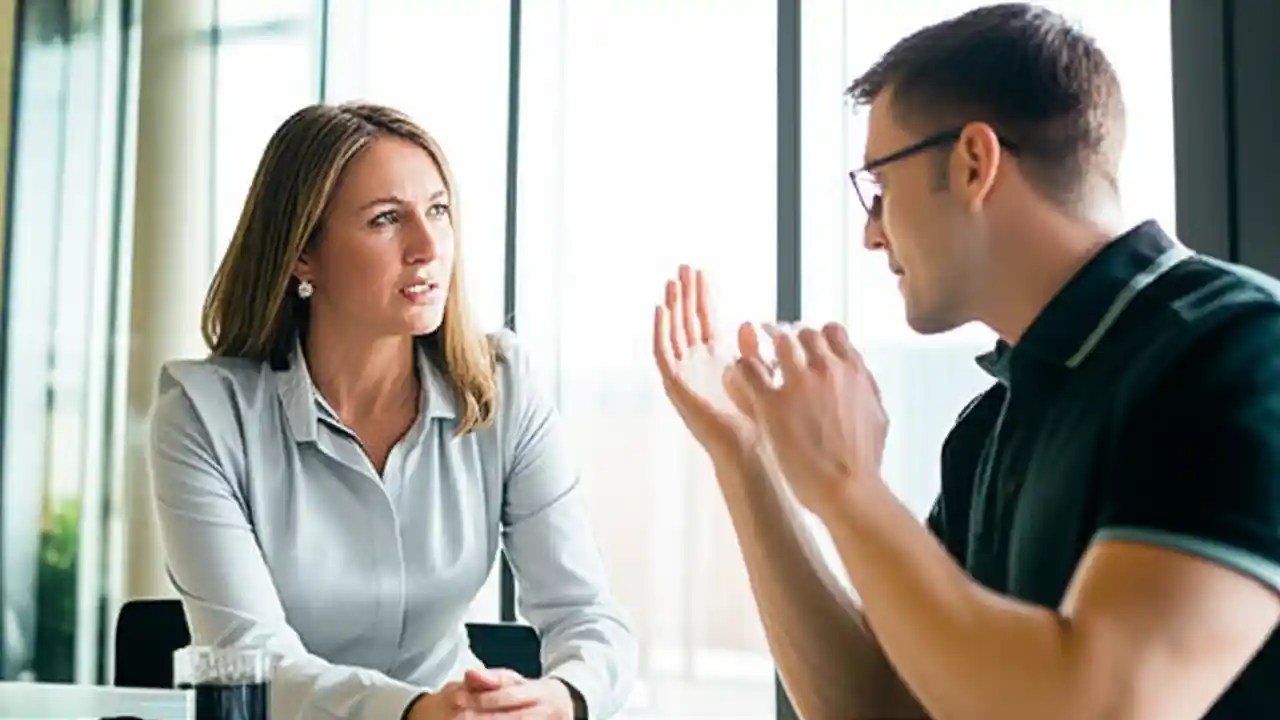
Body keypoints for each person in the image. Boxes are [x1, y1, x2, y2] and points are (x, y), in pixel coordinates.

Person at [654, 4, 1280, 719]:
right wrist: (748, 461)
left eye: (879, 188)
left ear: (974, 162)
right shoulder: (989, 427)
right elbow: (879, 707)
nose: (869, 233)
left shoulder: (1239, 348)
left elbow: (1105, 706)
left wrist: (848, 486)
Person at [149, 102, 636, 720]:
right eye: (386, 219)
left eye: (438, 211)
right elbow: (251, 656)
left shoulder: (502, 387)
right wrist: (415, 712)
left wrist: (561, 697)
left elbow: (588, 617)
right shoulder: (203, 416)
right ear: (303, 253)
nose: (429, 246)